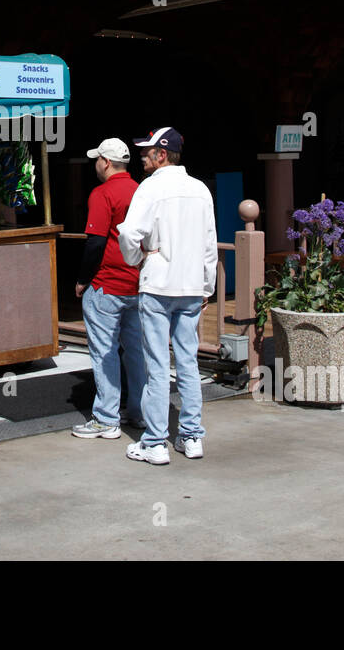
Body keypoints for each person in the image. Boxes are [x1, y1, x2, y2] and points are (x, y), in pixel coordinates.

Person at [117, 127, 217, 465]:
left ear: (162, 155)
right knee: (188, 362)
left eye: (147, 151)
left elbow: (129, 233)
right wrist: (207, 287)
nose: (141, 156)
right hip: (190, 286)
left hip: (158, 284)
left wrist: (137, 258)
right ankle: (191, 436)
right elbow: (209, 244)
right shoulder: (200, 189)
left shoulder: (149, 187)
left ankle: (155, 441)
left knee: (158, 366)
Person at [71, 138, 146, 439]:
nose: (96, 165)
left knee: (105, 351)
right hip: (138, 282)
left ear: (105, 162)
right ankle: (140, 412)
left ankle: (106, 418)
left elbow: (96, 242)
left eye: (97, 160)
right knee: (136, 351)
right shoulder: (141, 190)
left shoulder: (102, 193)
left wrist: (82, 280)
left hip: (106, 282)